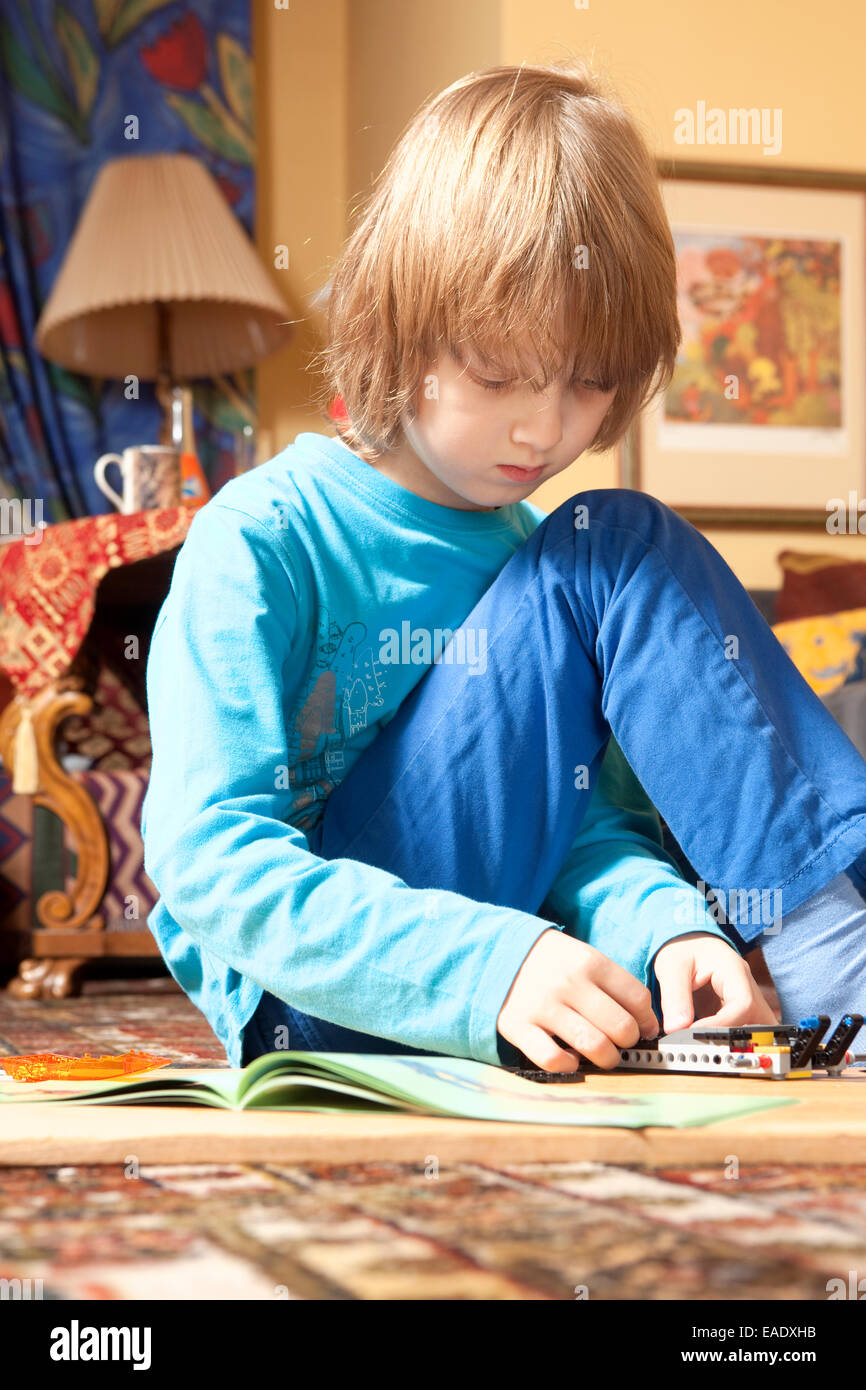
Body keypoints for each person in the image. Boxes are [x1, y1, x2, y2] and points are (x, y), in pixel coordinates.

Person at [141, 62, 866, 1075]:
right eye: (495, 374)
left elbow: (576, 828)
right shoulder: (262, 536)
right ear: (398, 328)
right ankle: (847, 966)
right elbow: (207, 862)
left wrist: (669, 930)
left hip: (518, 975)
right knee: (612, 542)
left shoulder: (535, 565)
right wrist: (488, 965)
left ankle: (831, 950)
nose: (543, 426)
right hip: (312, 1001)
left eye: (589, 382)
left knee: (604, 547)